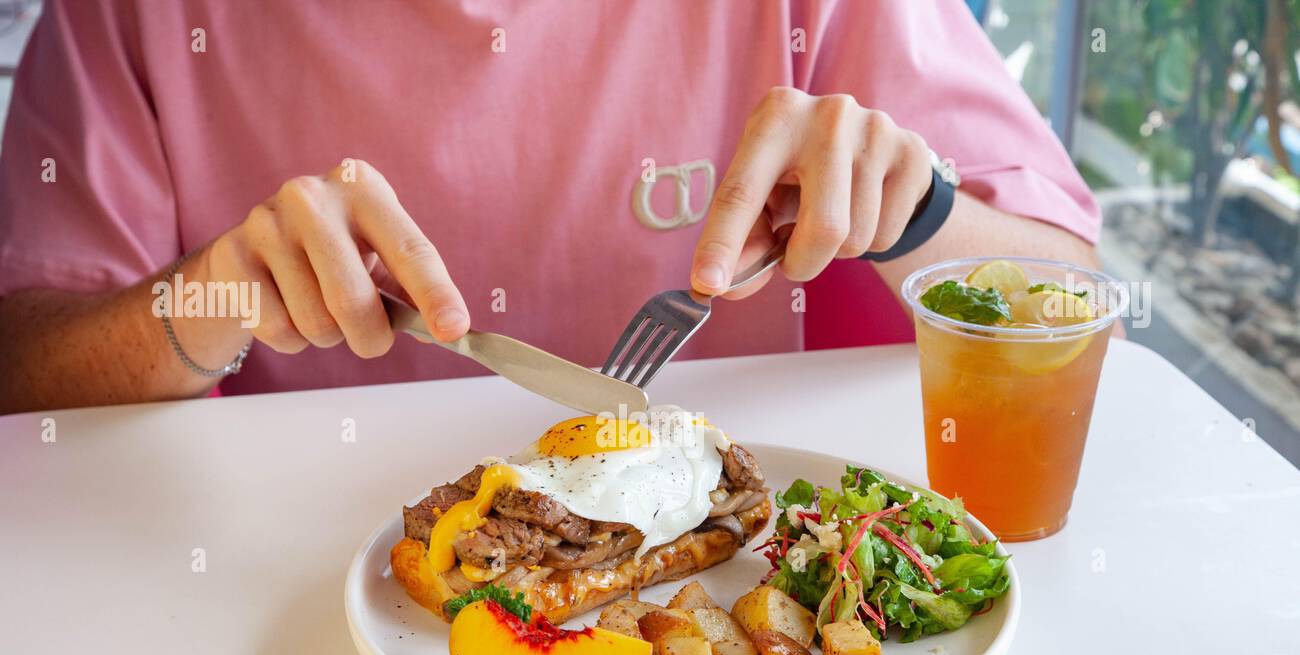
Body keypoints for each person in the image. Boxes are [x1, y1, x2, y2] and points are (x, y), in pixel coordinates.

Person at [0, 0, 1099, 415]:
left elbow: (1077, 293)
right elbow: (22, 370)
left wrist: (917, 217)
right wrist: (207, 305)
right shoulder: (127, 19)